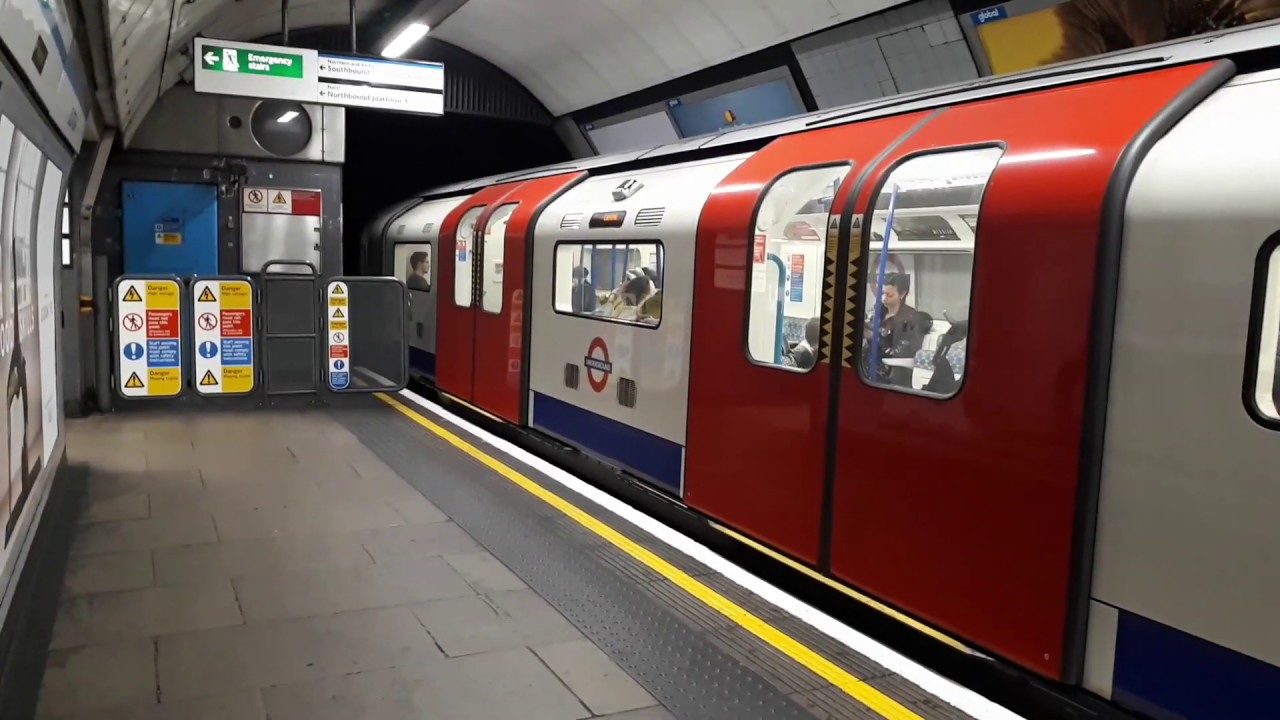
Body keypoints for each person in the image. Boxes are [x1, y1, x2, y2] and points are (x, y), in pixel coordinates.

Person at [863, 273, 925, 387]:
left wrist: (875, 338)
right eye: (882, 294)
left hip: (891, 375)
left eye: (889, 295)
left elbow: (902, 353)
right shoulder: (878, 312)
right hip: (866, 369)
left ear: (902, 294)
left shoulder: (910, 319)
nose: (884, 299)